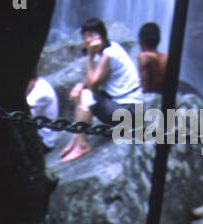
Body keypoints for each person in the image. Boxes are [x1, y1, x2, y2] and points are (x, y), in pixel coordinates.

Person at [60, 17, 143, 162]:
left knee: (87, 95)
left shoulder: (109, 55)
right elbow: (95, 79)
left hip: (129, 114)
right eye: (85, 37)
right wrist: (80, 85)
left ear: (102, 36)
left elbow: (93, 85)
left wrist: (90, 56)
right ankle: (77, 137)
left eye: (91, 35)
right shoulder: (112, 48)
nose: (87, 40)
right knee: (84, 92)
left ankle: (82, 145)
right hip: (125, 107)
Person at [27, 73, 59, 149]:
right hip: (38, 132)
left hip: (44, 140)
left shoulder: (41, 92)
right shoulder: (39, 82)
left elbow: (23, 106)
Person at [137, 21, 168, 102]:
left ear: (140, 42)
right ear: (159, 40)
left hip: (152, 102)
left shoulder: (144, 57)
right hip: (166, 98)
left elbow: (145, 89)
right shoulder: (167, 57)